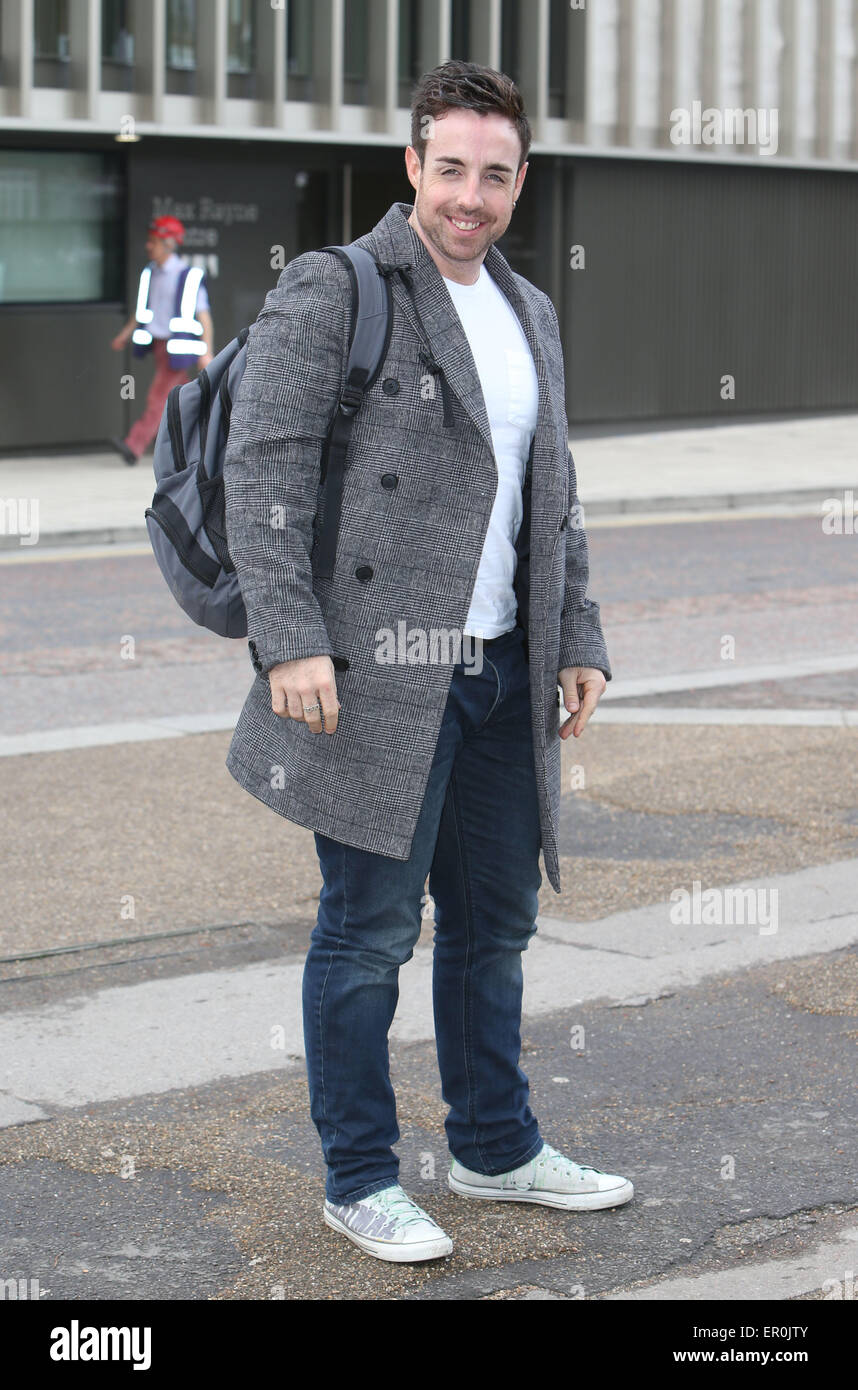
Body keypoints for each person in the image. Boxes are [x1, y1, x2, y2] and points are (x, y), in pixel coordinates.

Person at [223, 60, 632, 1265]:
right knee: (368, 933)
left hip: (504, 669)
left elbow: (555, 494)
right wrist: (290, 637)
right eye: (449, 168)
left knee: (495, 924)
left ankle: (494, 1145)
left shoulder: (529, 309)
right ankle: (358, 1177)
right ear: (412, 166)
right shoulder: (337, 286)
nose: (470, 195)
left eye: (493, 175)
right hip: (377, 673)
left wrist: (580, 634)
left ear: (521, 182)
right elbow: (263, 471)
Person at [109, 215, 214, 465]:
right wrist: (125, 334)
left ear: (169, 244)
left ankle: (133, 445)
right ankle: (203, 440)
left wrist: (207, 351)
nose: (148, 246)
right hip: (157, 345)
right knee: (185, 398)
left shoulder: (187, 277)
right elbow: (142, 310)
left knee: (158, 397)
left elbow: (204, 316)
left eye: (154, 241)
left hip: (176, 349)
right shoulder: (150, 273)